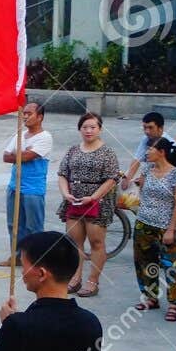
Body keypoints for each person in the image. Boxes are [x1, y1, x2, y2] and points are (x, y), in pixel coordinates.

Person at [56, 111, 120, 298]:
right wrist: (65, 193)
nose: (89, 131)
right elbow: (62, 173)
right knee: (74, 242)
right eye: (85, 127)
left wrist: (93, 197)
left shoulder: (107, 152)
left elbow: (112, 179)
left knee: (96, 243)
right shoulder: (73, 150)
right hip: (74, 200)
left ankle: (93, 281)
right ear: (79, 129)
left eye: (93, 127)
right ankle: (75, 278)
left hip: (96, 202)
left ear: (100, 129)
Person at [128, 136, 176, 319]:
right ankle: (150, 297)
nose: (147, 152)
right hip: (143, 223)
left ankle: (174, 304)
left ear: (161, 152)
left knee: (171, 265)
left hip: (164, 227)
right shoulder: (146, 169)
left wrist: (171, 229)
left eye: (150, 149)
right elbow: (143, 193)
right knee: (144, 262)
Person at [1, 100, 53, 266]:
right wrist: (21, 154)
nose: (25, 117)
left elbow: (26, 157)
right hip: (14, 186)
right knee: (14, 225)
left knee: (34, 227)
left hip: (33, 189)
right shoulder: (19, 135)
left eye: (29, 114)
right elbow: (5, 157)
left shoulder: (45, 137)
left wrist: (20, 154)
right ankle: (17, 256)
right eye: (24, 113)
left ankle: (37, 260)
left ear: (40, 117)